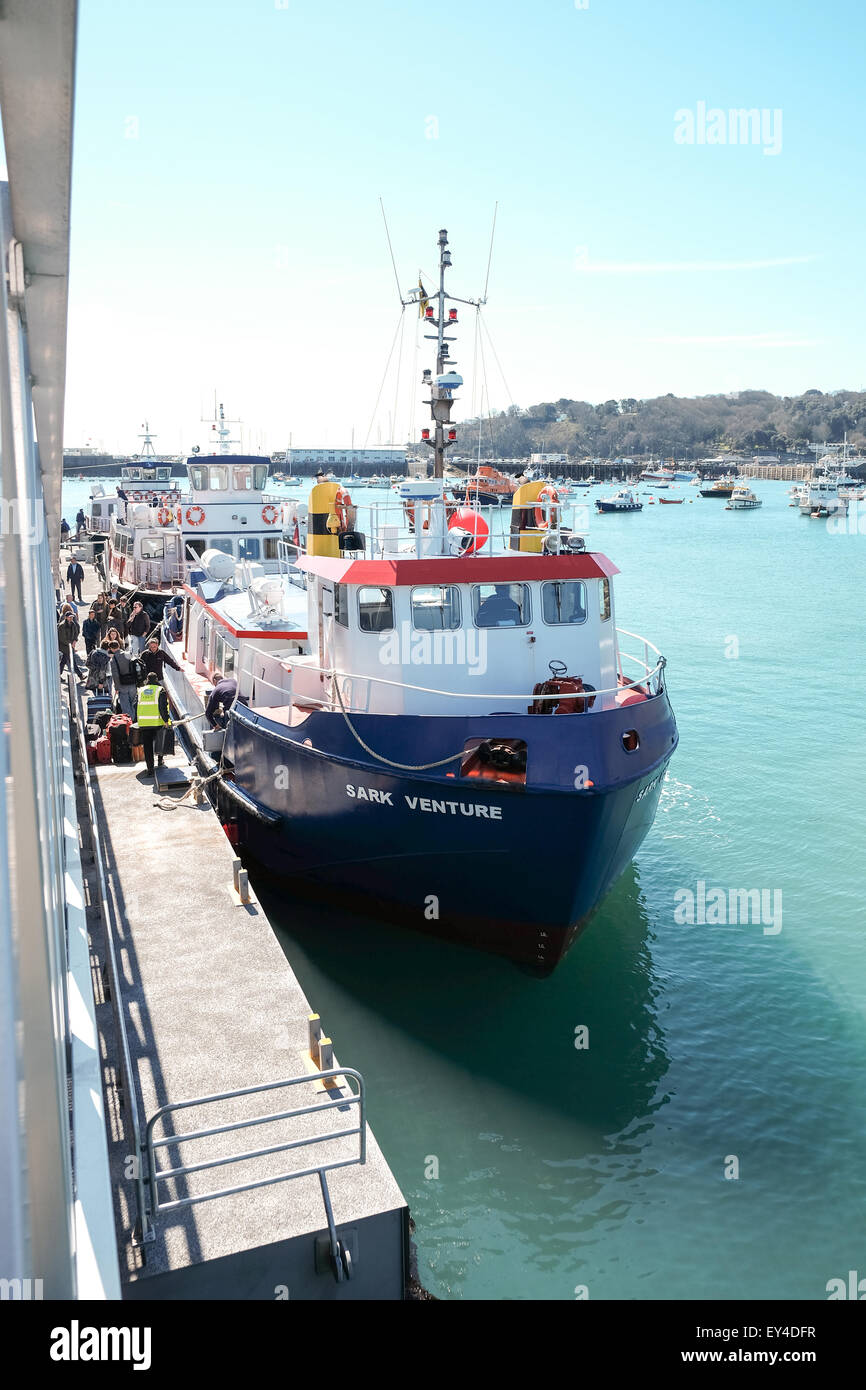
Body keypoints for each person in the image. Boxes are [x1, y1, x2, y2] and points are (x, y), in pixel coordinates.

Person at [135, 674, 171, 777]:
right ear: (156, 679)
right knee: (160, 742)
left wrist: (137, 719)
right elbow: (163, 707)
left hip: (144, 723)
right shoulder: (160, 690)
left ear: (147, 679)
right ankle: (160, 761)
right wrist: (166, 720)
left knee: (147, 746)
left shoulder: (140, 690)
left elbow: (135, 705)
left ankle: (150, 768)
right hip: (157, 722)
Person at [109, 641, 139, 719]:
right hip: (132, 683)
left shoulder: (113, 660)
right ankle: (135, 720)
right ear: (119, 646)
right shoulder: (128, 654)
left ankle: (130, 723)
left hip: (122, 685)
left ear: (111, 649)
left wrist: (116, 687)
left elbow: (115, 675)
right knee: (133, 703)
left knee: (126, 707)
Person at [58, 604, 86, 677]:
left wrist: (75, 640)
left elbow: (76, 632)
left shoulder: (73, 624)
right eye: (70, 617)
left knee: (64, 661)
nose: (71, 618)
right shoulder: (62, 626)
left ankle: (58, 674)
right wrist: (70, 643)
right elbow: (62, 638)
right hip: (65, 646)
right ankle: (80, 675)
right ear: (66, 617)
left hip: (70, 645)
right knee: (71, 660)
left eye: (72, 617)